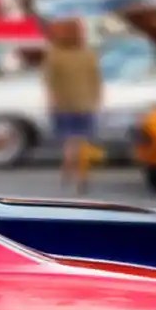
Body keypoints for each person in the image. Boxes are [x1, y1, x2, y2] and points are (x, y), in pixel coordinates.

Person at [43, 18, 103, 194]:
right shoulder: (88, 54)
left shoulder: (54, 54)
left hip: (63, 104)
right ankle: (82, 176)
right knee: (83, 142)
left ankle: (67, 173)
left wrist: (51, 102)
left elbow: (50, 82)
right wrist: (96, 99)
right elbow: (96, 80)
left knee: (69, 142)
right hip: (85, 104)